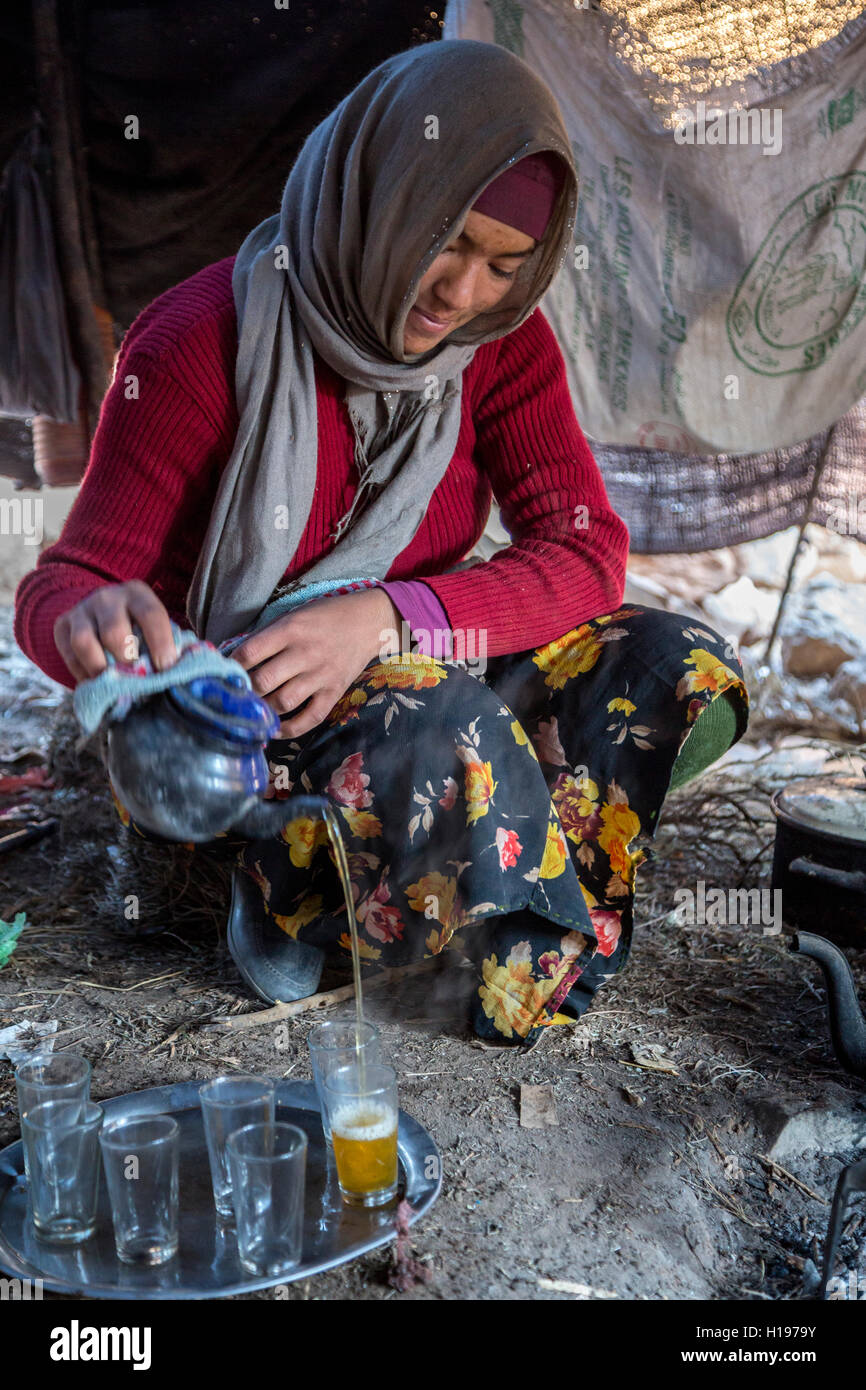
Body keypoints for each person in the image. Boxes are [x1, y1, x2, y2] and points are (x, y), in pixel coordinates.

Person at [14, 39, 748, 1046]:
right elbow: (68, 581)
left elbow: (583, 549)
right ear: (377, 195)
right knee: (440, 721)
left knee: (671, 665)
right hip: (263, 716)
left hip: (411, 665)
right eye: (444, 240)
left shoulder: (496, 346)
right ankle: (282, 886)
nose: (459, 293)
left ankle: (497, 893)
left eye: (504, 264)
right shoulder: (196, 344)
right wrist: (93, 618)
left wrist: (393, 616)